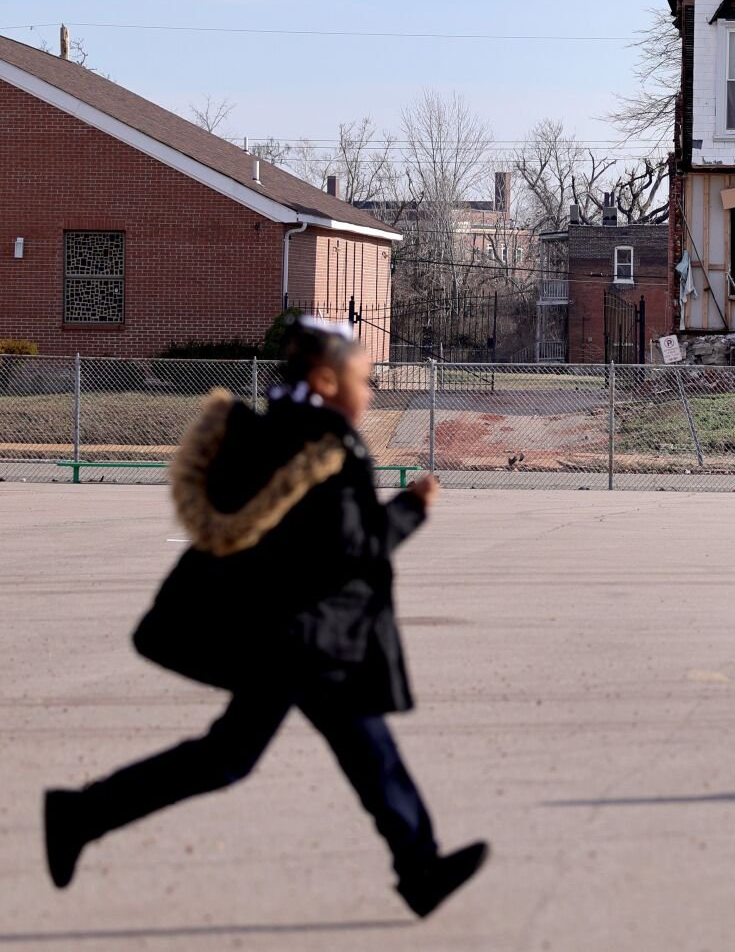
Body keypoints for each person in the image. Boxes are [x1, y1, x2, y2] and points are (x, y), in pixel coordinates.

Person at [43, 316, 488, 919]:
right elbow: (354, 545)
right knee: (361, 750)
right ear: (327, 379)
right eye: (364, 378)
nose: (373, 390)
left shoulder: (276, 429)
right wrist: (411, 508)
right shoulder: (329, 446)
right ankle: (420, 867)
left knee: (232, 756)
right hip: (311, 636)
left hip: (286, 630)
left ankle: (81, 814)